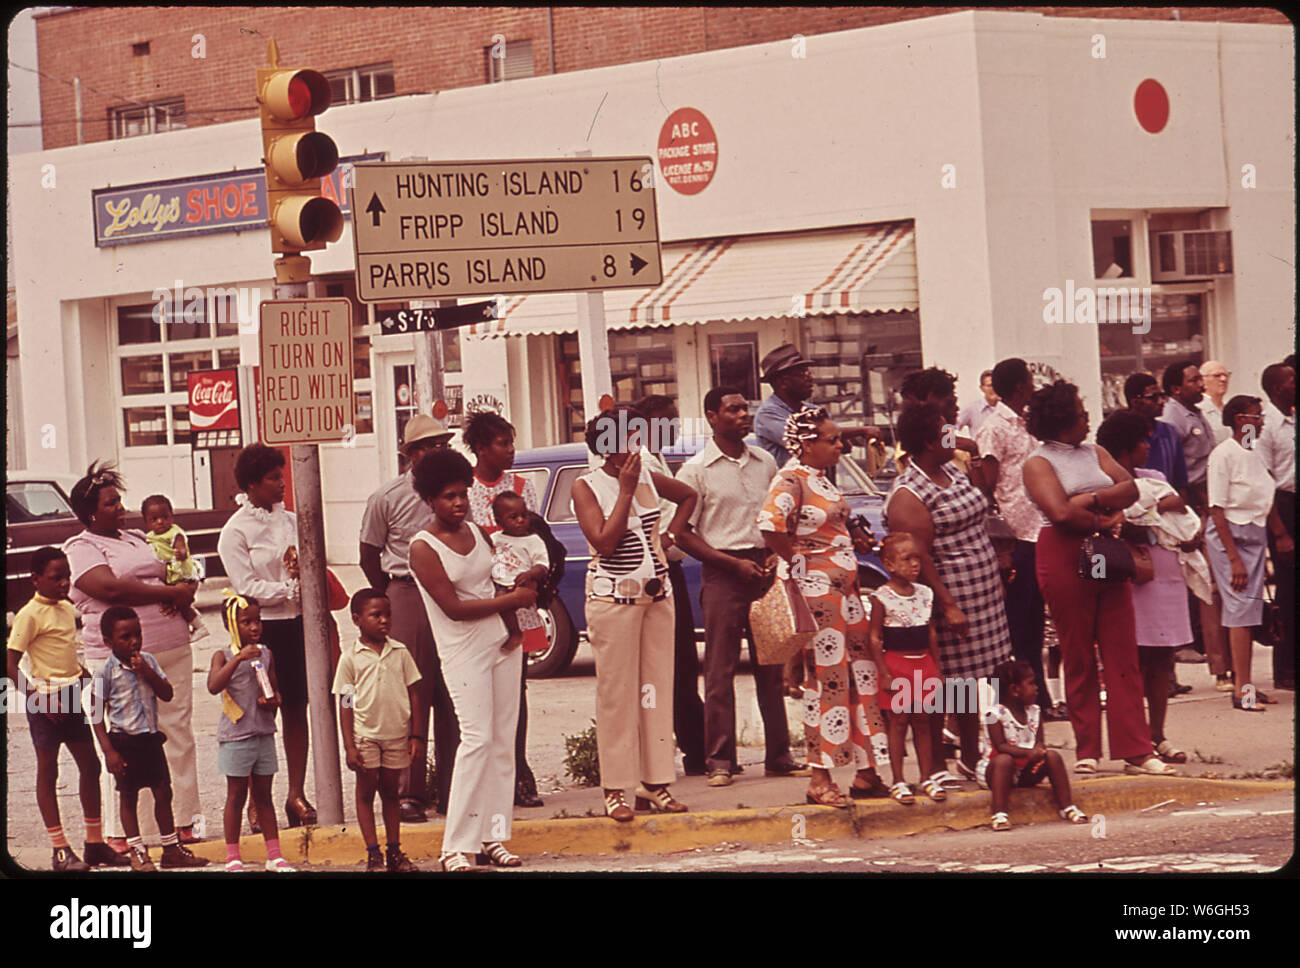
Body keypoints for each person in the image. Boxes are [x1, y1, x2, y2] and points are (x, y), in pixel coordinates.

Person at [1022, 381, 1173, 776]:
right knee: (1078, 652)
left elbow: (1131, 487)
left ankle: (1136, 749)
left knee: (1120, 648)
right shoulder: (1038, 462)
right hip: (1064, 554)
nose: (1087, 416)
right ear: (1062, 417)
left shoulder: (1096, 451)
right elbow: (1058, 513)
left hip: (1104, 550)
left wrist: (1090, 501)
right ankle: (1087, 748)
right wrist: (1101, 511)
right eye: (1080, 409)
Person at [673, 386, 808, 787]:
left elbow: (781, 515)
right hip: (722, 573)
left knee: (771, 665)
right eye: (731, 409)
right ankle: (720, 760)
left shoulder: (765, 461)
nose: (742, 415)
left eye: (744, 408)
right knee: (720, 669)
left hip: (763, 569)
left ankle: (779, 754)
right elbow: (681, 533)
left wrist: (775, 553)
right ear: (712, 417)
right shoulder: (695, 471)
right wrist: (729, 563)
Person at [64, 461, 202, 851]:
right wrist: (167, 595)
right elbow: (110, 588)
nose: (120, 508)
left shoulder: (138, 537)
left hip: (170, 647)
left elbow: (172, 569)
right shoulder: (82, 547)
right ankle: (122, 830)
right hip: (117, 659)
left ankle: (182, 821)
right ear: (90, 511)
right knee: (125, 739)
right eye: (110, 503)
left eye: (120, 501)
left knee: (176, 731)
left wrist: (183, 585)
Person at [572, 403, 698, 820]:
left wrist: (670, 534)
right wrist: (625, 490)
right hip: (613, 600)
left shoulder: (647, 474)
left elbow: (687, 495)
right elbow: (605, 542)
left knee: (655, 689)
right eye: (626, 439)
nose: (635, 447)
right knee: (617, 695)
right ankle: (616, 789)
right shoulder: (586, 486)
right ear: (605, 447)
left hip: (657, 596)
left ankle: (655, 782)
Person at [409, 449, 534, 870]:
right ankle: (455, 847)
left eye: (463, 493)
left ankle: (492, 837)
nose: (459, 502)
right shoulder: (422, 548)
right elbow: (453, 608)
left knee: (503, 744)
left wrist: (517, 612)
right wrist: (515, 598)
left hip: (501, 643)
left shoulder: (480, 533)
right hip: (462, 652)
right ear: (429, 499)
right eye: (448, 496)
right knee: (477, 740)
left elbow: (496, 586)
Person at [758, 407, 889, 807]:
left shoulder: (821, 479)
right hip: (820, 596)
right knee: (826, 683)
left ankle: (866, 772)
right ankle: (820, 778)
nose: (839, 445)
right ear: (806, 443)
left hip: (845, 593)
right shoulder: (790, 478)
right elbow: (770, 526)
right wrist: (800, 564)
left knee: (859, 676)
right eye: (831, 440)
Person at [883, 402, 1011, 782]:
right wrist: (949, 604)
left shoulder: (951, 471)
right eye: (944, 431)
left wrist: (972, 455)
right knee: (953, 682)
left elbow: (984, 497)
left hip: (984, 591)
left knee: (982, 679)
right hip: (951, 594)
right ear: (926, 440)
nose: (952, 435)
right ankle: (938, 764)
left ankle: (972, 756)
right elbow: (921, 555)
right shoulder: (909, 492)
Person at [359, 414, 460, 821]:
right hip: (407, 590)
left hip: (451, 593)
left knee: (452, 691)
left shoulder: (454, 494)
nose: (438, 452)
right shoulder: (387, 497)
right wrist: (390, 594)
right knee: (410, 693)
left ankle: (455, 787)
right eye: (429, 446)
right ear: (410, 453)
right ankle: (409, 792)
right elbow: (369, 553)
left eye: (442, 444)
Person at [7, 548, 130, 870]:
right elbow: (9, 663)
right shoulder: (28, 614)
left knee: (90, 766)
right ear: (35, 579)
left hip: (74, 696)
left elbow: (59, 649)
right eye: (55, 577)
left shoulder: (65, 607)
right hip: (46, 703)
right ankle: (60, 850)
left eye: (67, 576)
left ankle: (94, 845)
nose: (64, 583)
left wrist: (83, 675)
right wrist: (38, 697)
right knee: (49, 771)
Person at [218, 442, 316, 829]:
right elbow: (247, 587)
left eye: (282, 475)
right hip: (261, 629)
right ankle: (259, 802)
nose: (282, 484)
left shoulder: (293, 520)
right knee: (261, 713)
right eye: (275, 477)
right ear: (253, 483)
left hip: (297, 624)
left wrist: (303, 593)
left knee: (297, 708)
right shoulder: (236, 531)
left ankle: (296, 794)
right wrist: (291, 590)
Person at [1096, 409, 1196, 764]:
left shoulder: (1152, 476)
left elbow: (1180, 506)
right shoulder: (1105, 483)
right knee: (1132, 661)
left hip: (1165, 576)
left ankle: (1159, 733)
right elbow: (1127, 525)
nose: (1147, 444)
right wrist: (1155, 516)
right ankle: (1137, 739)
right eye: (1141, 440)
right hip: (1132, 577)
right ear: (1124, 449)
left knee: (1162, 659)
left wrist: (1149, 515)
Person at [86, 606, 208, 871]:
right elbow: (95, 714)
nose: (134, 642)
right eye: (125, 637)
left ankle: (170, 848)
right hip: (123, 742)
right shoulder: (105, 672)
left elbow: (166, 694)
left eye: (137, 634)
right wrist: (108, 751)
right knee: (129, 797)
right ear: (108, 642)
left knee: (163, 791)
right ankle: (138, 852)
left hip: (150, 739)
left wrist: (147, 672)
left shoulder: (149, 661)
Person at [462, 410, 543, 808]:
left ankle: (518, 772)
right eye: (502, 444)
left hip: (518, 596)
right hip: (480, 599)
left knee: (516, 690)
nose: (511, 451)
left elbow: (536, 538)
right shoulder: (464, 490)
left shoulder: (523, 486)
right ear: (480, 448)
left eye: (511, 443)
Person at [976, 358, 1062, 720]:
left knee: (1032, 623)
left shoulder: (1028, 426)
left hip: (1037, 531)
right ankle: (1009, 703)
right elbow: (987, 484)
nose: (1032, 388)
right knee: (1013, 624)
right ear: (1018, 387)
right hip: (1014, 537)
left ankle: (1038, 698)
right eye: (1028, 382)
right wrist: (999, 544)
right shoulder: (994, 428)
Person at [634, 393, 708, 778]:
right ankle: (694, 753)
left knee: (676, 667)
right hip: (658, 574)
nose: (675, 428)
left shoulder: (656, 459)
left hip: (665, 572)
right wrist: (675, 539)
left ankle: (688, 750)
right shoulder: (644, 462)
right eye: (667, 420)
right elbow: (668, 522)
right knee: (676, 669)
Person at [1204, 395, 1292, 711]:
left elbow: (1266, 499)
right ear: (1240, 420)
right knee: (1240, 610)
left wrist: (1280, 534)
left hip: (1254, 534)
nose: (1262, 421)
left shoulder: (1254, 453)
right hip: (1230, 537)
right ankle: (1242, 691)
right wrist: (1234, 559)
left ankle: (1247, 683)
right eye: (1257, 416)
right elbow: (1216, 510)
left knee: (1250, 612)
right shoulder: (1222, 455)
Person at [332, 589, 423, 872]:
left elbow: (415, 694)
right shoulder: (350, 659)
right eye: (376, 615)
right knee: (365, 792)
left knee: (391, 793)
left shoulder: (401, 652)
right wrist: (349, 745)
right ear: (357, 619)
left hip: (396, 735)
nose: (384, 620)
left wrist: (416, 734)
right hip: (366, 737)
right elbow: (345, 703)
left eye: (388, 614)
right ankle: (373, 853)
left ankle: (394, 851)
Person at [206, 593, 295, 872]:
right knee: (236, 795)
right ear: (231, 624)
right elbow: (213, 685)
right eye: (247, 622)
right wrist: (238, 660)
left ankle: (274, 854)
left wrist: (272, 701)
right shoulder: (224, 655)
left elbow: (276, 689)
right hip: (236, 736)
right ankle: (233, 855)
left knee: (264, 796)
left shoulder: (267, 653)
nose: (255, 627)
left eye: (258, 621)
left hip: (263, 733)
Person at [866, 533, 948, 805]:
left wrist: (936, 668)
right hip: (896, 664)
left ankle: (926, 777)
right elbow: (875, 637)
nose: (915, 564)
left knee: (923, 721)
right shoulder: (882, 597)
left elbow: (932, 633)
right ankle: (898, 780)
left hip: (922, 663)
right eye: (907, 559)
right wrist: (884, 672)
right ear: (889, 564)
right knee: (899, 722)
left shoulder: (926, 593)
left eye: (917, 558)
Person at [977, 659, 1088, 832]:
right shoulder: (994, 714)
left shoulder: (1034, 711)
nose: (1037, 688)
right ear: (1014, 690)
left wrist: (1039, 751)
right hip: (996, 772)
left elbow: (1039, 741)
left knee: (1052, 756)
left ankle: (1067, 807)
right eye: (1031, 683)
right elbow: (1000, 746)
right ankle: (999, 813)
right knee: (1004, 760)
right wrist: (1028, 752)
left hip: (1024, 771)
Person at [753, 343, 879, 467]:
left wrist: (836, 437)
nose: (810, 379)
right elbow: (806, 437)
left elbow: (844, 447)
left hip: (820, 483)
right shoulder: (768, 414)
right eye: (802, 374)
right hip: (790, 484)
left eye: (809, 373)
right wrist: (862, 430)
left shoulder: (814, 411)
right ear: (783, 382)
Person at [1257, 362, 1295, 690]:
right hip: (1282, 507)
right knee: (1288, 588)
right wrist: (1279, 531)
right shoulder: (1267, 425)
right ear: (1277, 389)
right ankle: (1285, 670)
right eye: (1292, 379)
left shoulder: (1295, 419)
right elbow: (1264, 480)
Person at [140, 494, 209, 642]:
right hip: (171, 577)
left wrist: (181, 554)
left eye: (165, 517)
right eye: (154, 519)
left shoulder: (174, 533)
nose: (160, 522)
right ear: (146, 522)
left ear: (171, 516)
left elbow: (182, 548)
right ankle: (191, 623)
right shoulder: (149, 537)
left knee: (181, 602)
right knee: (176, 603)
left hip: (183, 575)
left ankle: (200, 626)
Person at [489, 492, 551, 654]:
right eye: (513, 517)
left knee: (522, 649)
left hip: (521, 586)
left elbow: (543, 565)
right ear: (498, 520)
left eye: (524, 515)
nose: (520, 520)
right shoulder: (494, 539)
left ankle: (517, 634)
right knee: (499, 599)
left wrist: (531, 574)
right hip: (498, 584)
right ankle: (512, 633)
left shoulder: (533, 540)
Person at [1160, 360, 1216, 512]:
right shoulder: (1171, 418)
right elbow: (1170, 467)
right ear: (1176, 389)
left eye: (1200, 379)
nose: (1201, 385)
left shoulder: (1196, 411)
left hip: (1211, 489)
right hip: (1193, 495)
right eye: (1193, 381)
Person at [1198, 361, 1233, 445]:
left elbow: (1247, 441)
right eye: (1217, 376)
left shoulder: (1231, 407)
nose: (1223, 379)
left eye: (1226, 375)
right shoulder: (1198, 411)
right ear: (1203, 380)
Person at [957, 369, 999, 438]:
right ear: (982, 388)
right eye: (990, 386)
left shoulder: (1007, 409)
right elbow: (949, 426)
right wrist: (950, 446)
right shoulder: (972, 408)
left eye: (996, 385)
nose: (994, 388)